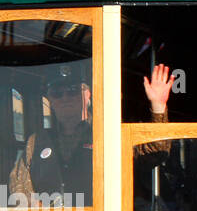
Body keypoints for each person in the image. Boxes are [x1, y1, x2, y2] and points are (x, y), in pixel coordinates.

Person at [10, 62, 173, 203]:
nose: (65, 98)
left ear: (88, 95)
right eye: (57, 93)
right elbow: (18, 187)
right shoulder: (36, 141)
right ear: (50, 100)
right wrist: (36, 208)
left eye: (73, 90)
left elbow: (157, 151)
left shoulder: (108, 133)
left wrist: (158, 105)